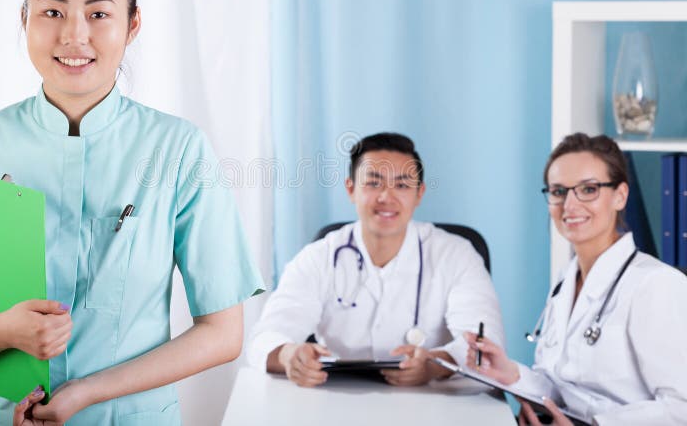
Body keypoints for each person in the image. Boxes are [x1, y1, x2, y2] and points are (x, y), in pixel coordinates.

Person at [0, 0, 264, 426]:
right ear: (25, 20)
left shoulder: (176, 149)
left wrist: (86, 392)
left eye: (98, 14)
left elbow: (223, 332)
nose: (74, 35)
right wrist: (5, 331)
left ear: (132, 26)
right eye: (52, 12)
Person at [247, 132, 504, 387]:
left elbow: (485, 343)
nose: (386, 197)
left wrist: (436, 364)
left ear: (419, 193)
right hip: (338, 399)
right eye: (373, 183)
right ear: (351, 189)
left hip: (434, 399)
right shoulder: (318, 257)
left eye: (402, 185)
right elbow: (265, 337)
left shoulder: (456, 254)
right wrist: (288, 355)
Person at [464, 133, 687, 425]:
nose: (569, 205)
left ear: (620, 195)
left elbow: (681, 406)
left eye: (588, 189)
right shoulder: (566, 280)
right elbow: (564, 392)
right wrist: (510, 373)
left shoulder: (656, 284)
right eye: (558, 191)